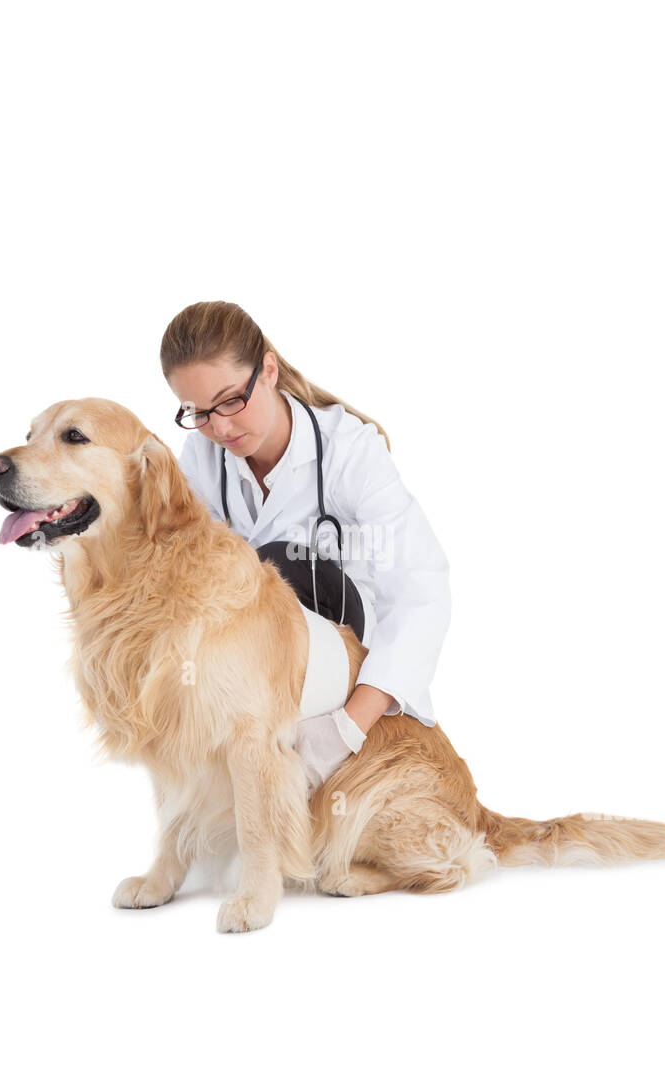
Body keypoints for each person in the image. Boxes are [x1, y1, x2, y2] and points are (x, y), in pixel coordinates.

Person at [161, 300, 451, 795]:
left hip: (348, 687)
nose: (222, 429)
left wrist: (345, 729)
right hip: (256, 687)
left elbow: (421, 594)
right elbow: (182, 574)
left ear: (267, 370)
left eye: (231, 400)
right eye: (199, 412)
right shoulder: (203, 457)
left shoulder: (350, 453)